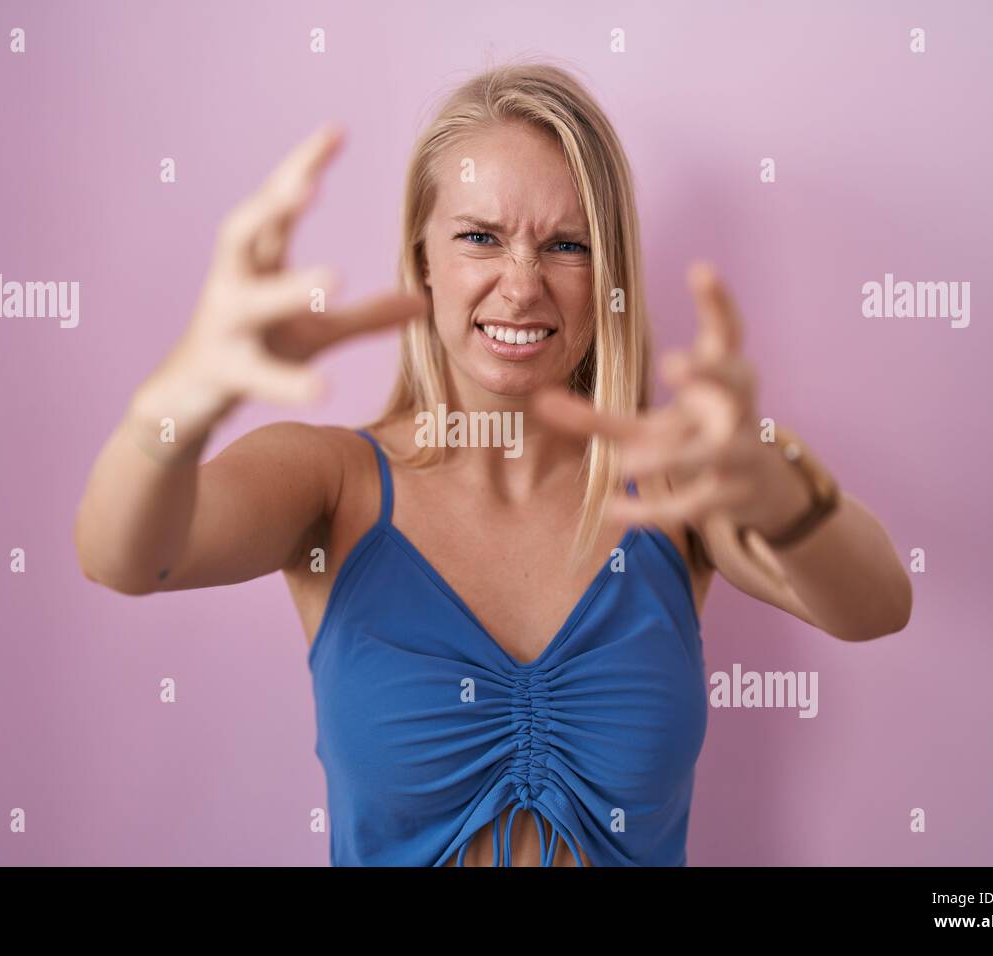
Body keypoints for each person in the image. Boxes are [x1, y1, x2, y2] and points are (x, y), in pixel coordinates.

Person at [74, 61, 912, 866]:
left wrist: (785, 492)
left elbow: (875, 605)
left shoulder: (673, 485)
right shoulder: (328, 483)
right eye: (480, 237)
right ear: (424, 259)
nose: (520, 287)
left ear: (610, 272)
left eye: (568, 246)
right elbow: (124, 556)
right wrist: (179, 396)